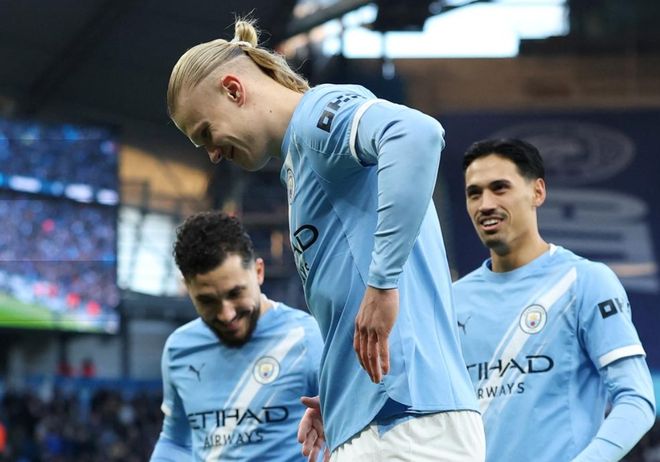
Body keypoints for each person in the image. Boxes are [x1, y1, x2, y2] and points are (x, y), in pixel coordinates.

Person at [167, 18, 484, 461]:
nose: (213, 153)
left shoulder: (316, 116)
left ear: (234, 90)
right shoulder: (298, 162)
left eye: (206, 133)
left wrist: (382, 283)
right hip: (376, 417)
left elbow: (415, 135)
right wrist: (339, 396)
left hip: (407, 418)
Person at [454, 138, 656, 461]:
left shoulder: (584, 281)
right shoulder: (452, 301)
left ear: (538, 192)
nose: (485, 204)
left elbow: (637, 399)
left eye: (500, 188)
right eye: (474, 193)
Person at [149, 211, 323, 461]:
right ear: (188, 289)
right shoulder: (179, 349)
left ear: (259, 272)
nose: (226, 314)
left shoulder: (307, 338)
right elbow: (175, 441)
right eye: (207, 301)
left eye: (235, 293)